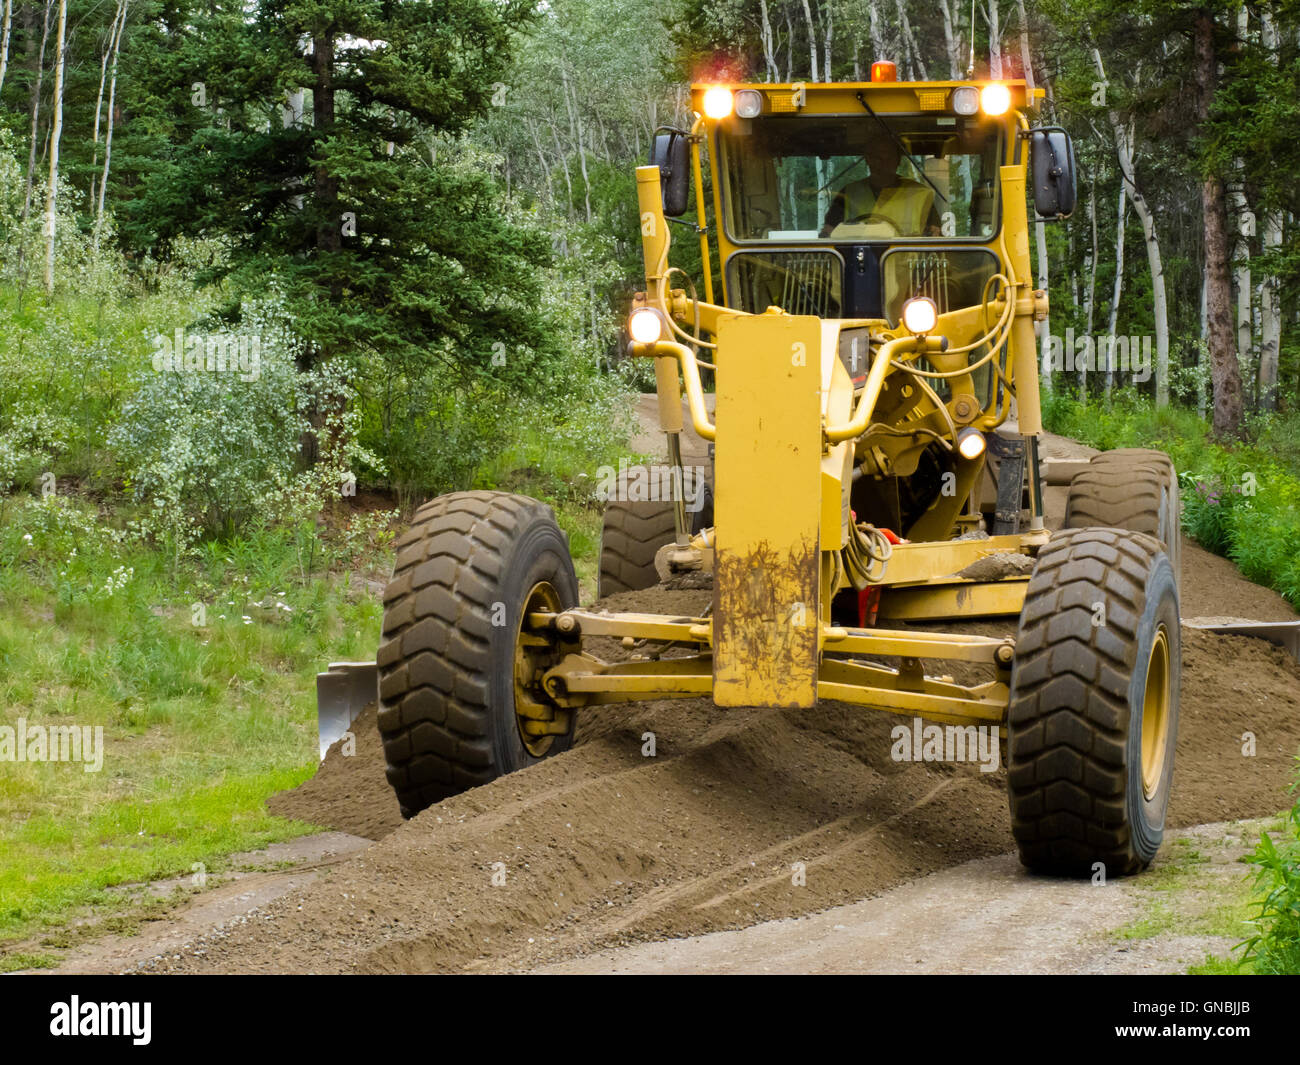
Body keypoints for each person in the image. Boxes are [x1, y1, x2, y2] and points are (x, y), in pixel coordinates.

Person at [820, 138, 943, 238]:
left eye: (889, 158)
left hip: (906, 266)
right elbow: (828, 233)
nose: (883, 164)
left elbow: (934, 236)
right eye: (877, 158)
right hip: (855, 264)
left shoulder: (920, 194)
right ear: (868, 160)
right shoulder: (848, 193)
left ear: (898, 160)